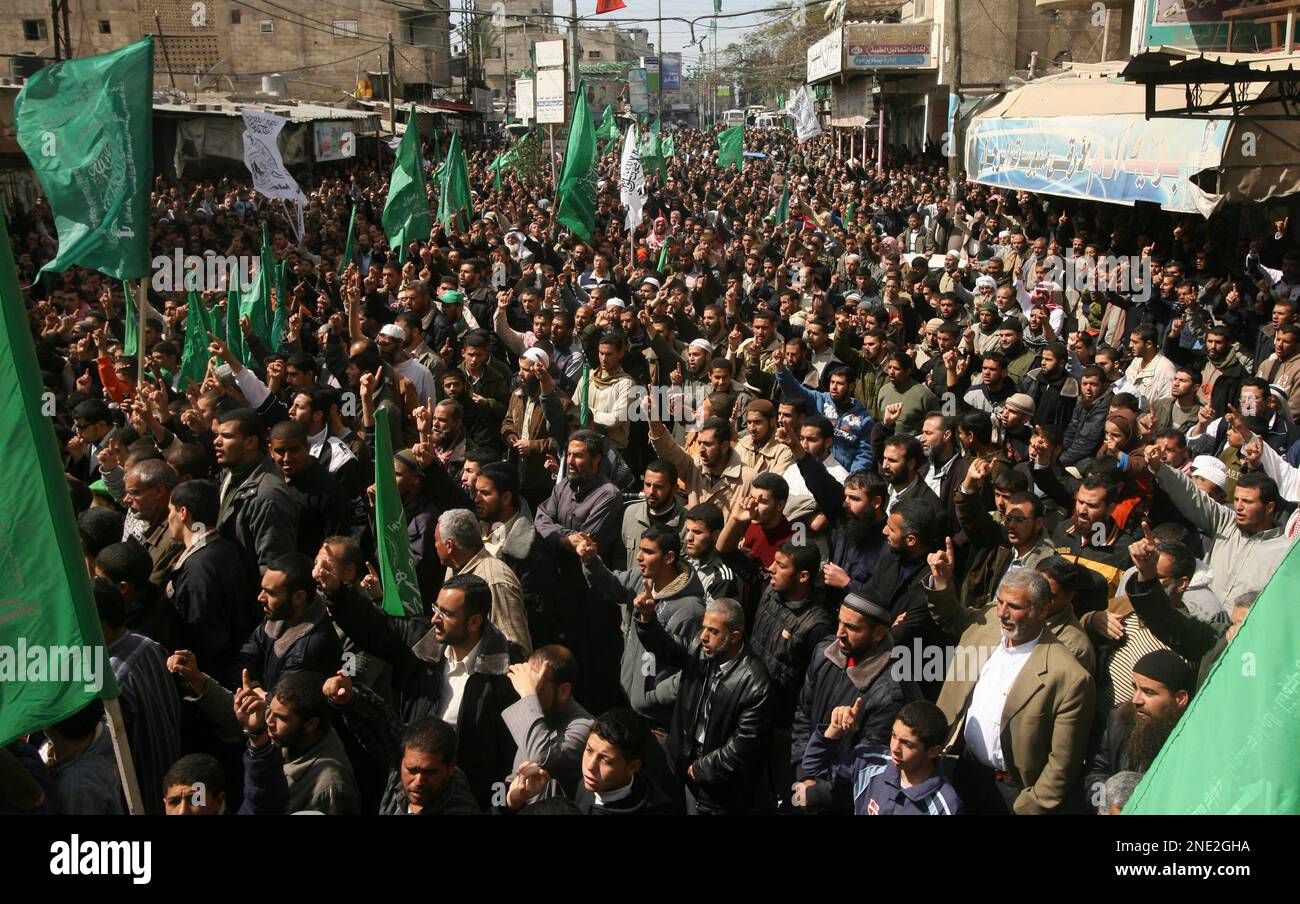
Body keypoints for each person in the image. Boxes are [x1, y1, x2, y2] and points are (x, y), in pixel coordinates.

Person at [317, 569, 519, 809]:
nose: (435, 619)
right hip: (412, 796)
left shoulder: (507, 671)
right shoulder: (420, 642)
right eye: (436, 608)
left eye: (446, 613)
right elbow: (376, 627)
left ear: (474, 621)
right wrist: (338, 593)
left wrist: (498, 806)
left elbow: (508, 753)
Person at [940, 569, 1096, 814]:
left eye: (1014, 606)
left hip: (1012, 795)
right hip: (964, 774)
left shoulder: (1069, 677)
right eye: (1000, 602)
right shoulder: (985, 629)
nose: (1002, 613)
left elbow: (1063, 763)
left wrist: (1030, 805)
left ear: (1042, 610)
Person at [635, 596, 772, 815]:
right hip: (685, 766)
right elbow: (666, 646)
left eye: (714, 631)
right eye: (704, 628)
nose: (704, 637)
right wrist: (647, 618)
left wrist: (702, 768)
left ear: (735, 636)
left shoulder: (754, 682)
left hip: (720, 787)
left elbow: (745, 744)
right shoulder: (700, 650)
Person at [791, 590, 921, 812]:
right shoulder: (824, 652)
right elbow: (804, 712)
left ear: (879, 633)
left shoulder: (891, 692)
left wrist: (816, 788)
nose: (839, 633)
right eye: (840, 622)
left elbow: (866, 763)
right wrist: (804, 772)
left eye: (851, 627)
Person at [575, 524, 706, 727]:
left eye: (648, 551)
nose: (639, 557)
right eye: (640, 550)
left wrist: (652, 698)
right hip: (628, 700)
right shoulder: (642, 578)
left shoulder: (690, 611)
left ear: (669, 557)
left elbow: (694, 670)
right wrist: (591, 561)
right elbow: (611, 586)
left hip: (658, 721)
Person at [324, 673, 480, 815]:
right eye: (412, 770)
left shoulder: (460, 808)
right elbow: (382, 723)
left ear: (451, 767)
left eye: (430, 772)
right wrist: (350, 699)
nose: (418, 781)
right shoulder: (403, 760)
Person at [92, 577, 181, 815]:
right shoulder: (150, 646)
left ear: (98, 624)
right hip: (169, 781)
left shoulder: (109, 683)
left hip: (143, 798)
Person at [165, 479, 258, 687]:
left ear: (183, 513)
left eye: (169, 510)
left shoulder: (197, 569)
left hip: (214, 677)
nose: (167, 518)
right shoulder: (227, 549)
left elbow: (203, 635)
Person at [801, 699, 964, 815]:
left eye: (907, 744)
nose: (895, 748)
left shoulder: (945, 805)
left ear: (933, 751)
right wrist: (834, 729)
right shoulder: (872, 762)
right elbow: (814, 765)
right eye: (893, 735)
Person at [1084, 649, 1193, 810]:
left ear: (1180, 699)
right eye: (1135, 688)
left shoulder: (1193, 738)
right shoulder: (1118, 720)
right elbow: (1096, 773)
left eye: (1149, 692)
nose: (1136, 700)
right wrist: (1106, 806)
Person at [211, 408, 300, 574]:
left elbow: (273, 565)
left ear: (251, 442)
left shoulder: (269, 495)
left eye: (227, 436)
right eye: (217, 435)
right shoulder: (231, 473)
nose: (216, 441)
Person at [500, 645, 594, 800]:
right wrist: (509, 803)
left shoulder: (585, 727)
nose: (531, 696)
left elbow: (541, 757)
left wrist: (528, 694)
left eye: (539, 689)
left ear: (563, 690)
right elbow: (512, 780)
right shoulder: (539, 715)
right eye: (530, 685)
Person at [434, 508, 532, 654]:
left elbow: (516, 648)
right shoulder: (454, 567)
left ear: (449, 546)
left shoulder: (495, 581)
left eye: (436, 540)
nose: (435, 545)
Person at [619, 459, 687, 571]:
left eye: (658, 486)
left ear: (674, 488)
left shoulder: (686, 524)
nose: (651, 491)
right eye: (647, 484)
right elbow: (620, 558)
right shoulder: (630, 513)